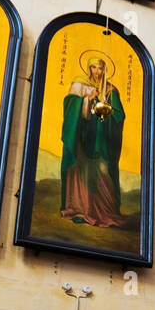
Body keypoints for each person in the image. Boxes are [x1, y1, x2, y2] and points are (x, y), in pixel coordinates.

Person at [59, 56, 124, 227]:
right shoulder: (80, 84)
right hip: (81, 136)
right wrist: (87, 100)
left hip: (101, 139)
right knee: (81, 171)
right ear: (89, 68)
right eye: (93, 67)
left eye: (100, 68)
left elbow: (119, 115)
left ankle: (103, 211)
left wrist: (107, 111)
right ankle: (81, 209)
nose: (97, 71)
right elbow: (70, 106)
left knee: (102, 171)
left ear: (105, 70)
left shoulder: (110, 90)